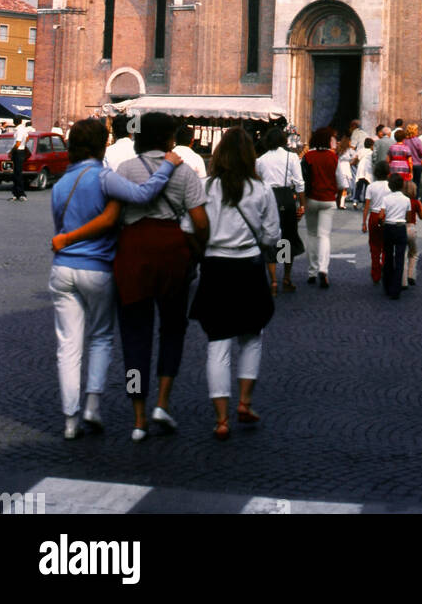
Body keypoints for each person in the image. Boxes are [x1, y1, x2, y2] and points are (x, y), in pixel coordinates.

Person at [47, 119, 184, 439]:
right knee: (100, 338)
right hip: (97, 268)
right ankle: (93, 405)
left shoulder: (59, 185)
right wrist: (166, 166)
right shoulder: (104, 176)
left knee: (67, 347)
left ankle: (70, 420)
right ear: (100, 145)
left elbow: (60, 226)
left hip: (62, 269)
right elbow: (144, 193)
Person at [113, 112, 210, 440]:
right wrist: (201, 247)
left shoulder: (124, 169)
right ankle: (162, 403)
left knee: (134, 337)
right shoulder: (184, 172)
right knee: (172, 329)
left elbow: (114, 215)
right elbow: (200, 221)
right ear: (169, 139)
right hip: (171, 253)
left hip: (134, 253)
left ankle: (138, 416)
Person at [189, 128, 280, 440]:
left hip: (215, 267)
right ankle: (245, 402)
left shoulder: (205, 187)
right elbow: (271, 237)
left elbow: (189, 226)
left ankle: (221, 419)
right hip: (249, 267)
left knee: (218, 344)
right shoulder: (261, 190)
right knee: (252, 336)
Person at [255, 126, 305, 294]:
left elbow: (257, 183)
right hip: (285, 197)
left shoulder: (261, 160)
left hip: (268, 198)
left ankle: (273, 281)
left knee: (270, 236)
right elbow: (299, 183)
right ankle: (286, 278)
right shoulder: (292, 157)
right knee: (287, 237)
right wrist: (302, 204)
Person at [301, 127, 338, 288]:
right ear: (327, 140)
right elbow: (342, 181)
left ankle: (312, 271)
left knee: (311, 235)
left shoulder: (308, 156)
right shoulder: (333, 157)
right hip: (328, 199)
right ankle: (323, 269)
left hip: (311, 199)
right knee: (324, 236)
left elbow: (302, 179)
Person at [375, 173, 411, 300]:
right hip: (401, 227)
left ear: (390, 185)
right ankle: (396, 289)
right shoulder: (407, 200)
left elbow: (380, 215)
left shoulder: (386, 199)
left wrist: (381, 223)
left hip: (388, 227)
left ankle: (387, 285)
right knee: (400, 259)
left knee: (388, 257)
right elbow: (408, 216)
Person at [362, 160, 391, 284]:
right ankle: (385, 266)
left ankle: (375, 273)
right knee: (386, 245)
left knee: (374, 246)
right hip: (386, 216)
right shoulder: (390, 186)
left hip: (373, 215)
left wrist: (363, 222)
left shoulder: (371, 187)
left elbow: (366, 207)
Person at [402, 180, 422, 288]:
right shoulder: (416, 202)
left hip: (401, 227)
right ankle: (411, 275)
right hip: (411, 228)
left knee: (403, 255)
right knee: (413, 253)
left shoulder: (401, 200)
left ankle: (403, 281)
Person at [335, 135, 356, 209]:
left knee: (341, 187)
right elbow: (353, 158)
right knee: (344, 187)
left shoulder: (339, 149)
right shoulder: (349, 150)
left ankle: (339, 202)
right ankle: (341, 203)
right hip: (346, 167)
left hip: (340, 167)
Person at [8, 129, 29, 201]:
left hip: (18, 152)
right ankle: (16, 193)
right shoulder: (24, 130)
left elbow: (17, 143)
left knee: (17, 173)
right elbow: (27, 138)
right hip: (21, 151)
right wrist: (24, 144)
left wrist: (11, 152)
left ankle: (21, 194)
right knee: (16, 173)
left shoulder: (19, 131)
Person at [353, 138, 374, 210]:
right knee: (367, 188)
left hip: (361, 169)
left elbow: (356, 159)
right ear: (371, 145)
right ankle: (364, 204)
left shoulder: (360, 150)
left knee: (359, 186)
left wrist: (353, 164)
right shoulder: (372, 152)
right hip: (368, 170)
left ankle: (355, 201)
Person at [404, 123, 422, 193]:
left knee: (407, 182)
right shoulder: (418, 140)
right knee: (417, 183)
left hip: (407, 165)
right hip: (417, 164)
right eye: (417, 130)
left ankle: (408, 197)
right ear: (414, 130)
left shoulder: (404, 141)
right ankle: (415, 197)